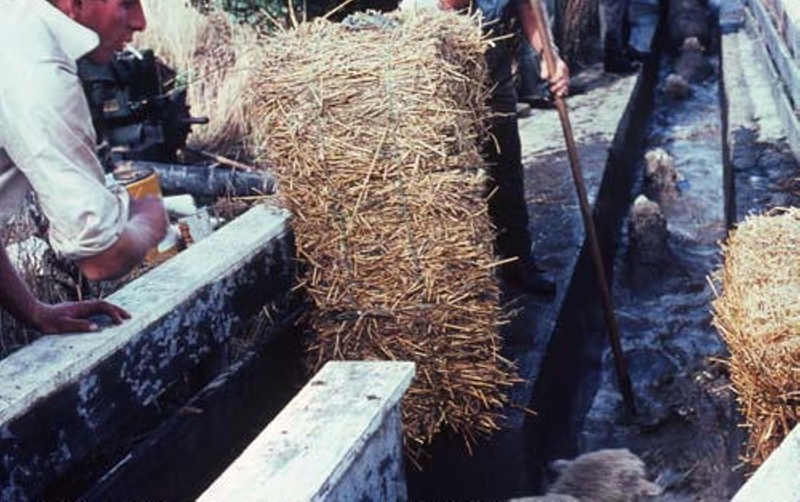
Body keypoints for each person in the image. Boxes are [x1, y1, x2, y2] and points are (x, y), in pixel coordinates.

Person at [0, 0, 168, 333]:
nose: (140, 22)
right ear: (73, 3)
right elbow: (101, 258)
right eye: (126, 3)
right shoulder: (33, 66)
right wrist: (150, 221)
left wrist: (33, 310)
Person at [440, 0, 570, 296]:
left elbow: (526, 7)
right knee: (455, 174)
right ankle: (463, 275)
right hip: (441, 57)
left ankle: (516, 262)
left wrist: (549, 56)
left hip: (491, 59)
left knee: (506, 166)